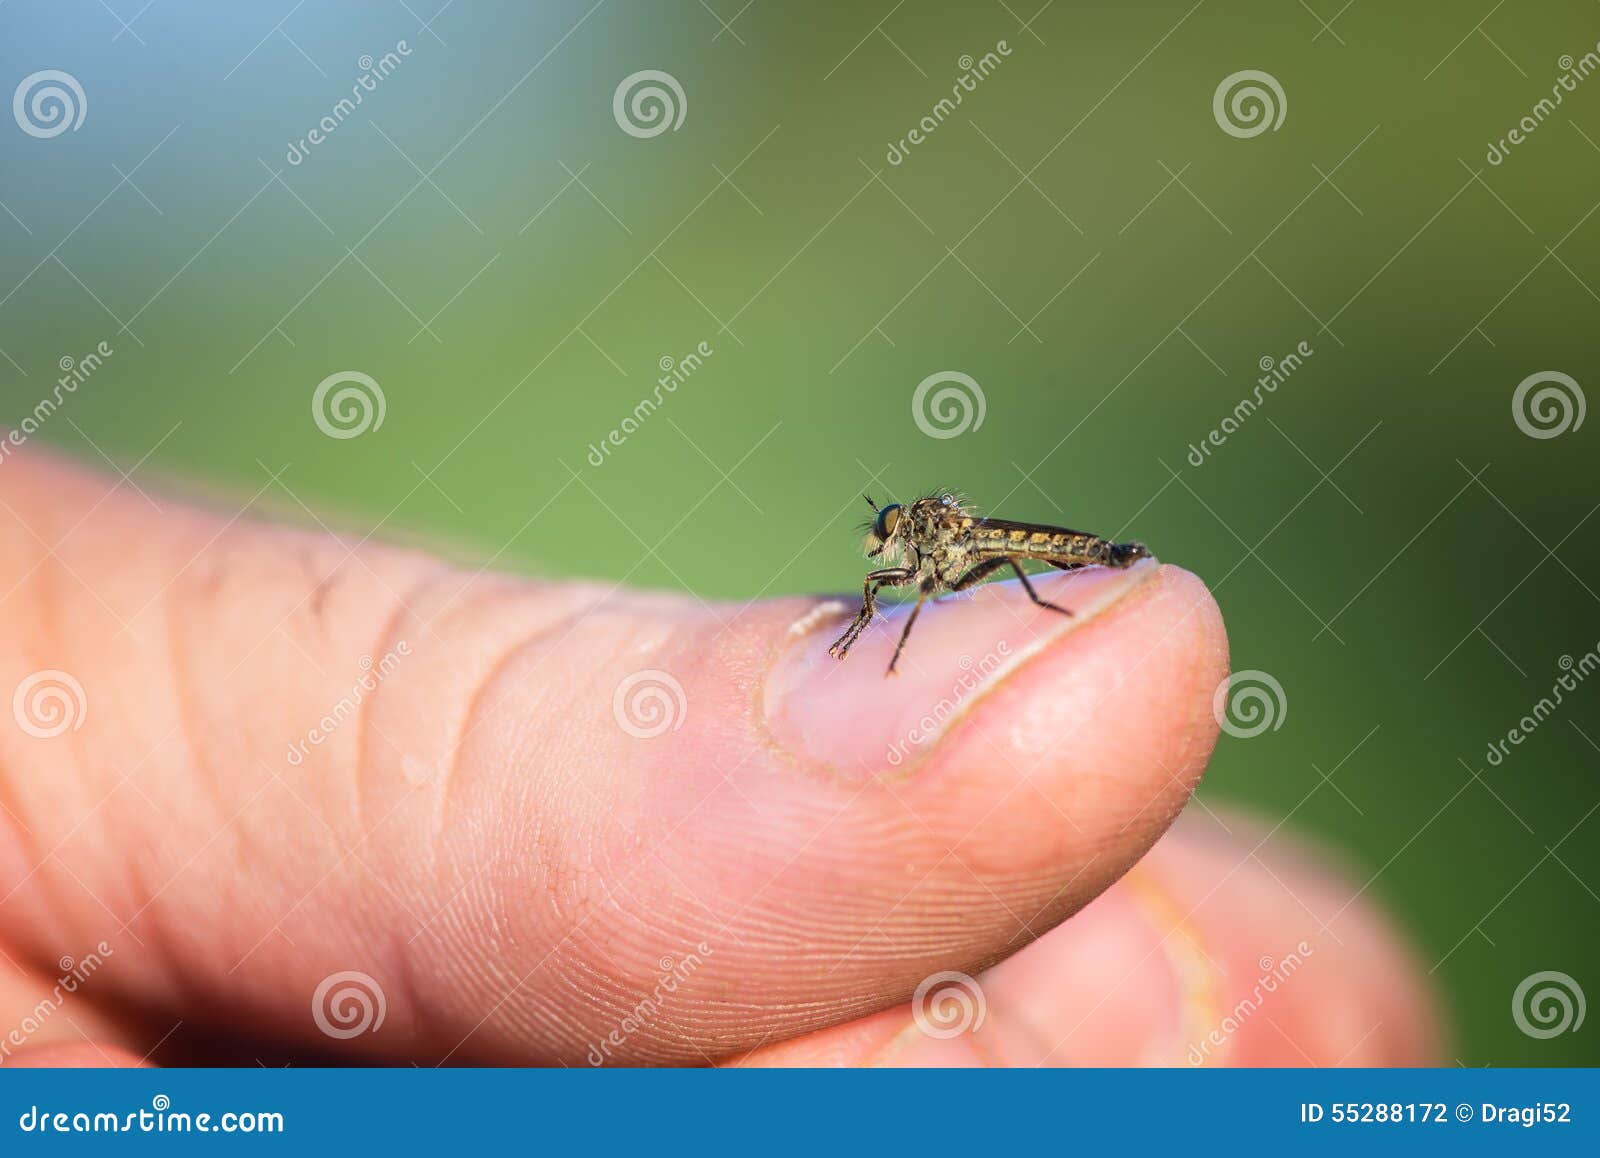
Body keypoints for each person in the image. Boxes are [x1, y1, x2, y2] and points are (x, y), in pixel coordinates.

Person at [0, 449, 1439, 1066]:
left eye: (895, 549)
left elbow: (972, 574)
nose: (887, 558)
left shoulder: (956, 554)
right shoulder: (899, 571)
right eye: (895, 552)